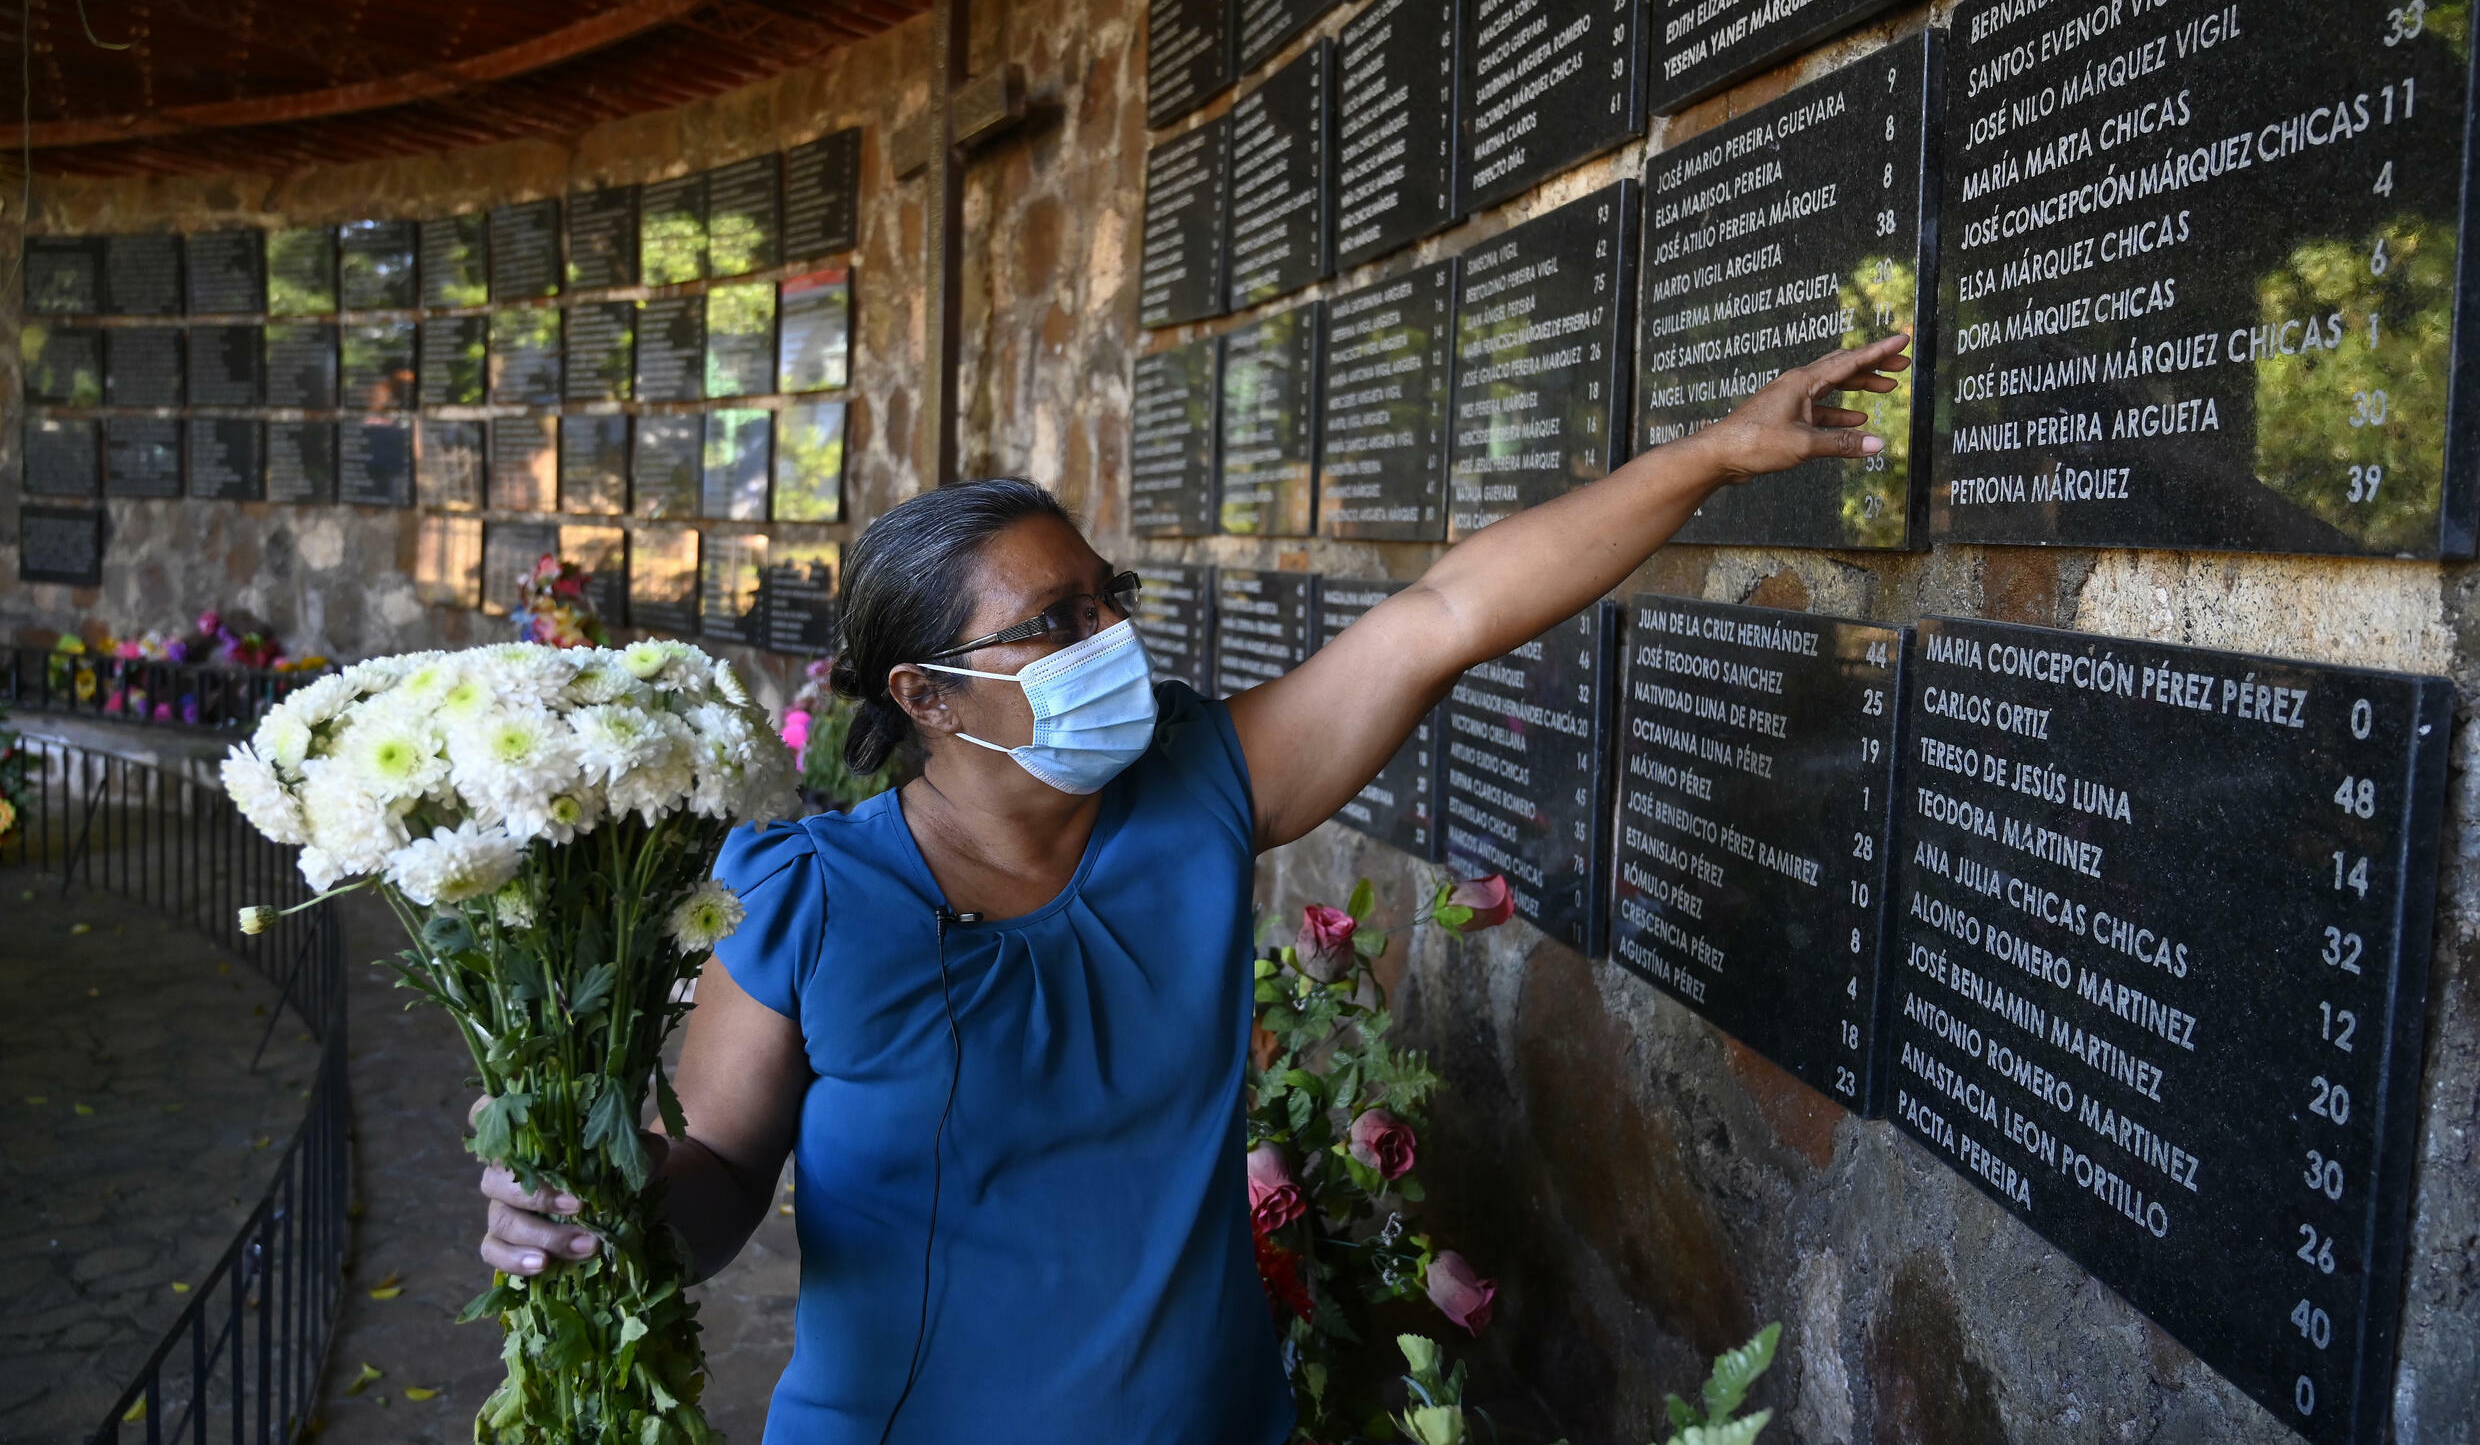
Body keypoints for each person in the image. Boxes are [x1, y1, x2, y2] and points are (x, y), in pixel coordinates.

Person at [475, 335, 1911, 1443]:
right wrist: (606, 1206)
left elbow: (1445, 614)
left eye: (1109, 600)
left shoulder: (1202, 788)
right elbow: (719, 1182)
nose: (1109, 641)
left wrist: (1717, 455)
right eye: (1054, 623)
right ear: (926, 694)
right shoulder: (806, 897)